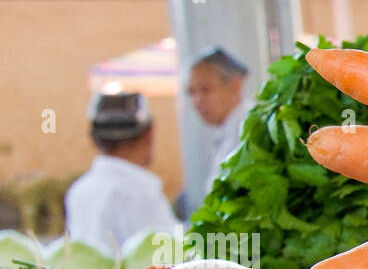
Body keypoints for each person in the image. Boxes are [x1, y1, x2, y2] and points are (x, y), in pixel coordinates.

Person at [64, 92, 178, 255]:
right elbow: (170, 261)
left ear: (93, 139)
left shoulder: (78, 191)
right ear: (149, 134)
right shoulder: (141, 194)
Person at [186, 45, 253, 190]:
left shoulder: (251, 128)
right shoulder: (228, 132)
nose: (197, 101)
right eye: (191, 92)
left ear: (235, 86)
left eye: (205, 89)